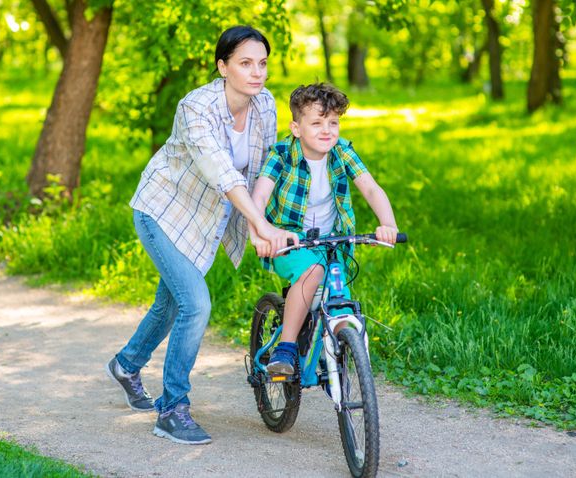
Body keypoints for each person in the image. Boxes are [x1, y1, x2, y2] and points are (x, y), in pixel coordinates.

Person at [105, 26, 297, 445]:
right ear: (222, 66)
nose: (257, 72)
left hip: (206, 219)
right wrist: (258, 225)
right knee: (196, 303)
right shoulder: (196, 107)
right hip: (162, 211)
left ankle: (127, 364)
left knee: (170, 303)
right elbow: (221, 172)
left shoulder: (264, 105)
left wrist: (263, 221)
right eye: (245, 63)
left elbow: (262, 169)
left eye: (262, 63)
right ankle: (172, 409)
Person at [250, 83, 399, 375]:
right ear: (296, 128)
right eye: (316, 122)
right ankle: (287, 347)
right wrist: (263, 232)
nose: (327, 130)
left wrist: (388, 224)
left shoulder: (342, 152)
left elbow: (370, 189)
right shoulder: (281, 154)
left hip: (333, 242)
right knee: (313, 271)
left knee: (338, 298)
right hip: (288, 241)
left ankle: (339, 351)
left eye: (333, 122)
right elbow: (259, 196)